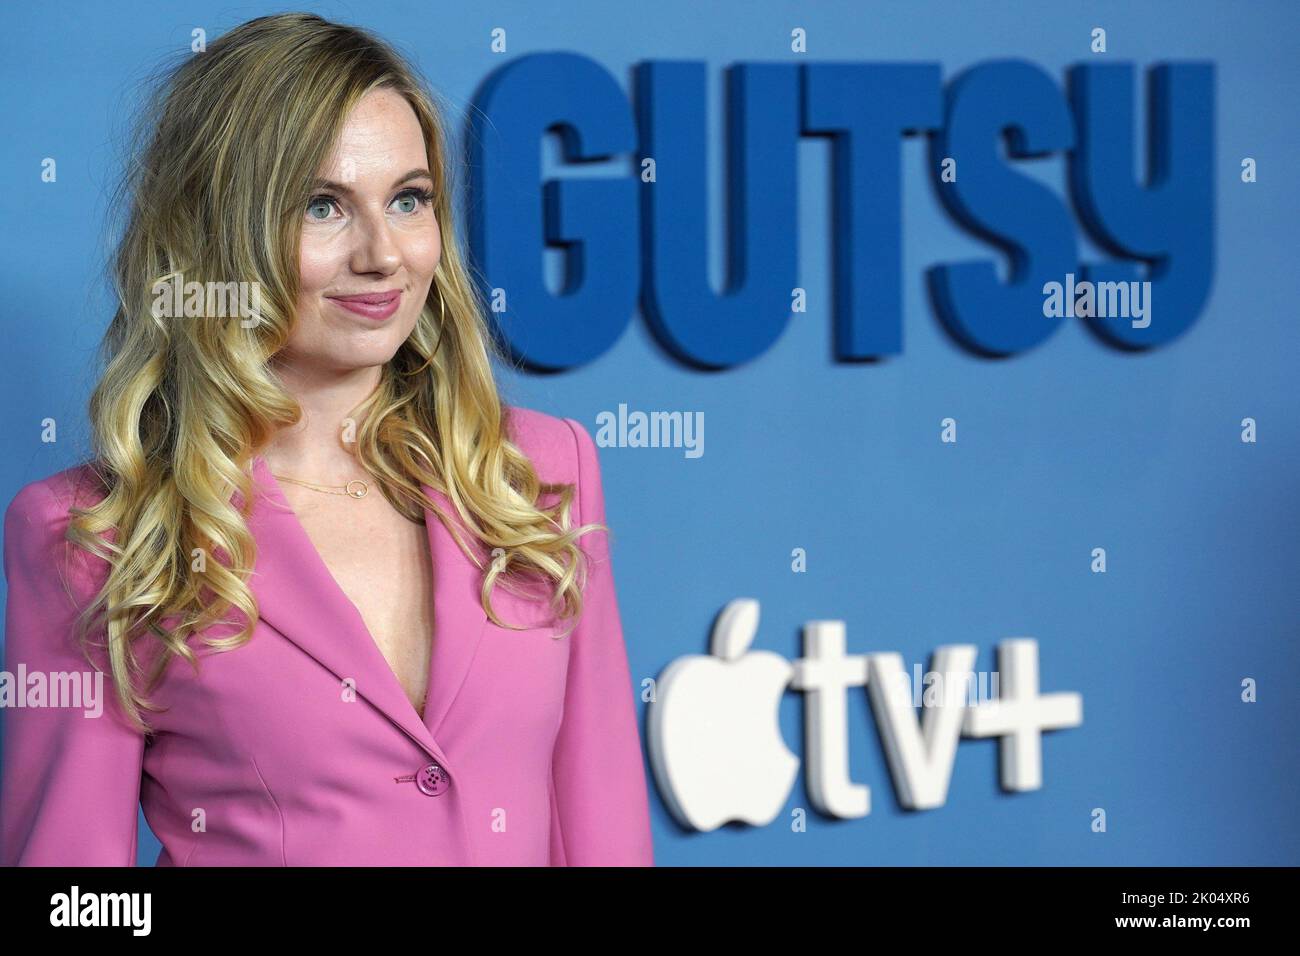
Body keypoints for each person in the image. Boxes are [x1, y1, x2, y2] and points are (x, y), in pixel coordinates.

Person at [0, 12, 654, 867]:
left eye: (408, 200)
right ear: (217, 235)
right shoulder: (91, 535)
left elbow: (602, 829)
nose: (383, 254)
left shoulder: (540, 474)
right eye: (322, 207)